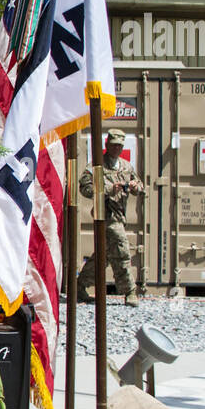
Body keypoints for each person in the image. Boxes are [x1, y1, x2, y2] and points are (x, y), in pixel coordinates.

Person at [77, 128, 144, 307]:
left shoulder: (126, 166)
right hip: (105, 218)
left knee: (104, 255)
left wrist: (135, 186)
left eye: (119, 146)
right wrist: (108, 189)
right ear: (107, 145)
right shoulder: (96, 167)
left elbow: (139, 185)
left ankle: (80, 285)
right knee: (121, 250)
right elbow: (85, 188)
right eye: (113, 145)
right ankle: (129, 291)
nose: (116, 149)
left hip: (120, 216)